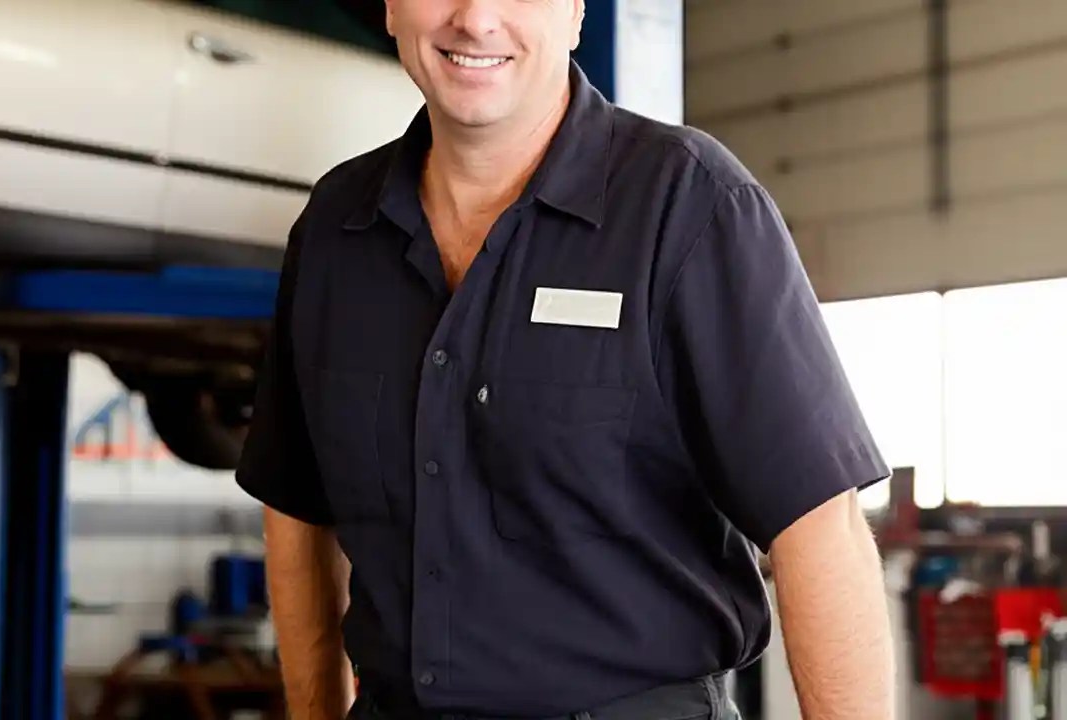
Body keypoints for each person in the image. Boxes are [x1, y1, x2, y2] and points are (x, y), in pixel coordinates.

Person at [235, 0, 897, 718]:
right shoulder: (337, 229)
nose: (476, 18)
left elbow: (819, 530)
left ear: (577, 13)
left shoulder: (689, 206)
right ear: (392, 7)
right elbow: (295, 509)